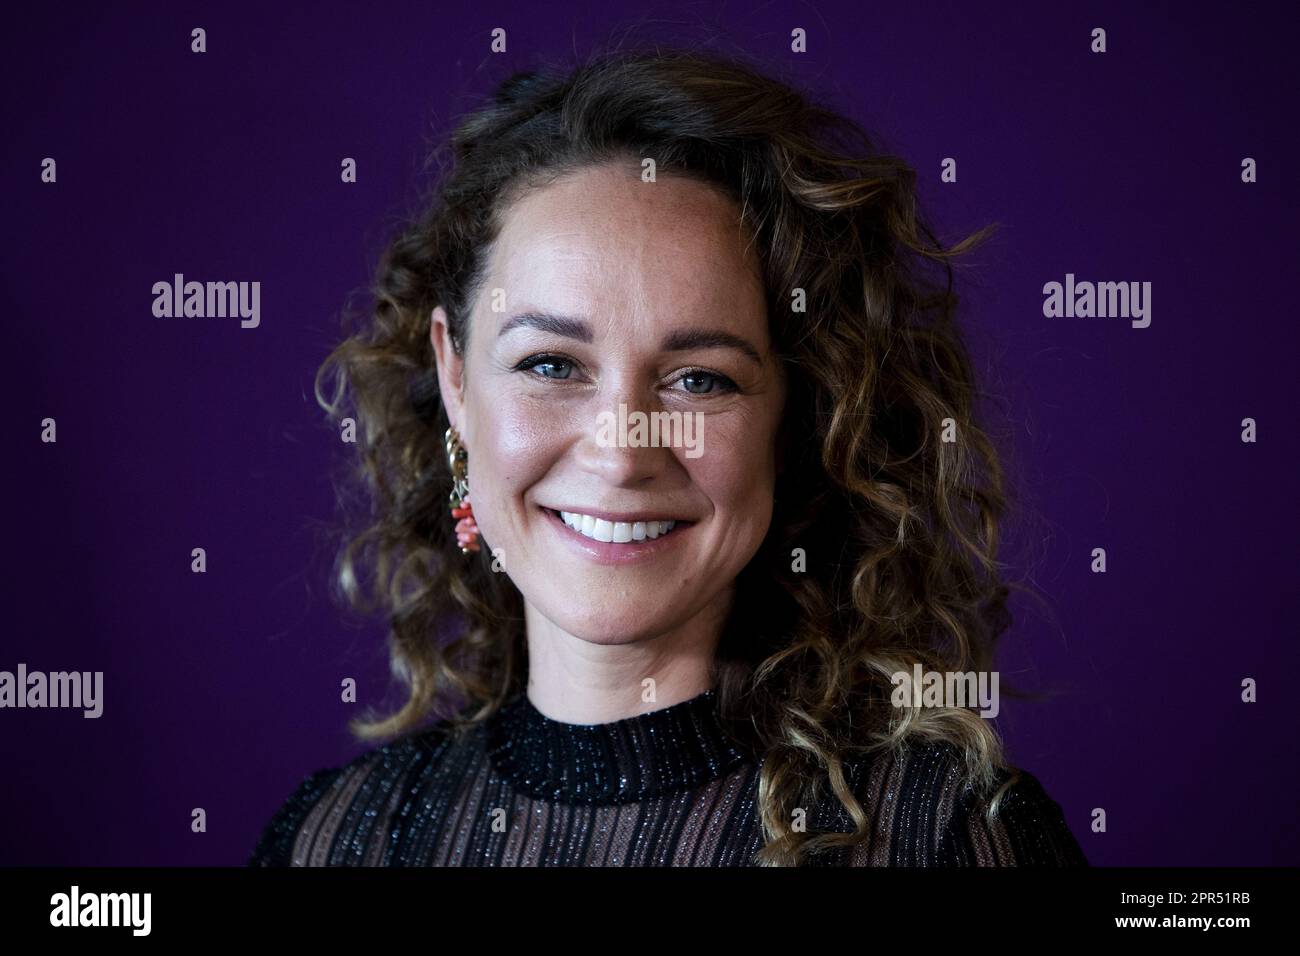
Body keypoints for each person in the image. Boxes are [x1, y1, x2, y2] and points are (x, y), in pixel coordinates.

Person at [249, 47, 1087, 867]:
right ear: (456, 378)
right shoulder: (330, 837)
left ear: (798, 417)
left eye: (699, 380)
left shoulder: (947, 836)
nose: (622, 453)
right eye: (551, 365)